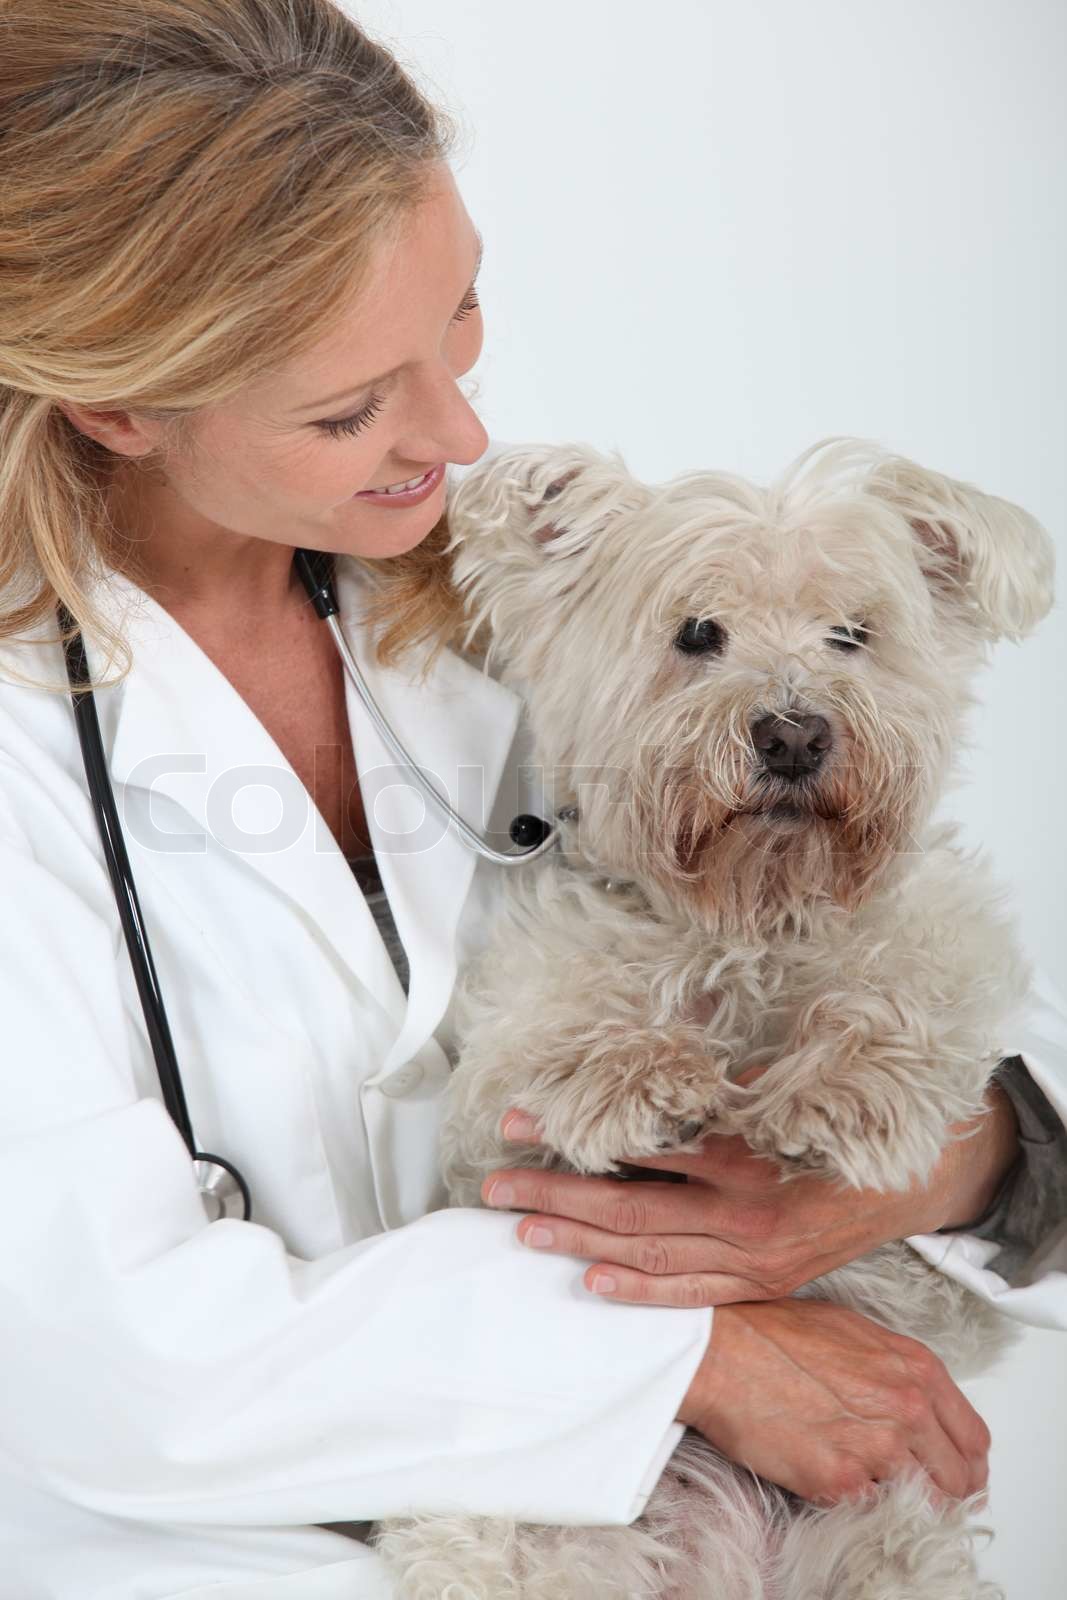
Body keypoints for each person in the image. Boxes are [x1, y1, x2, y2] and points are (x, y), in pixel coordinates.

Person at [0, 4, 1062, 1597]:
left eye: (465, 316)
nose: (464, 436)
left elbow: (883, 956)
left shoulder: (549, 600)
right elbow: (102, 1356)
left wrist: (972, 1160)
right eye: (352, 404)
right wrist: (688, 1355)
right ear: (119, 404)